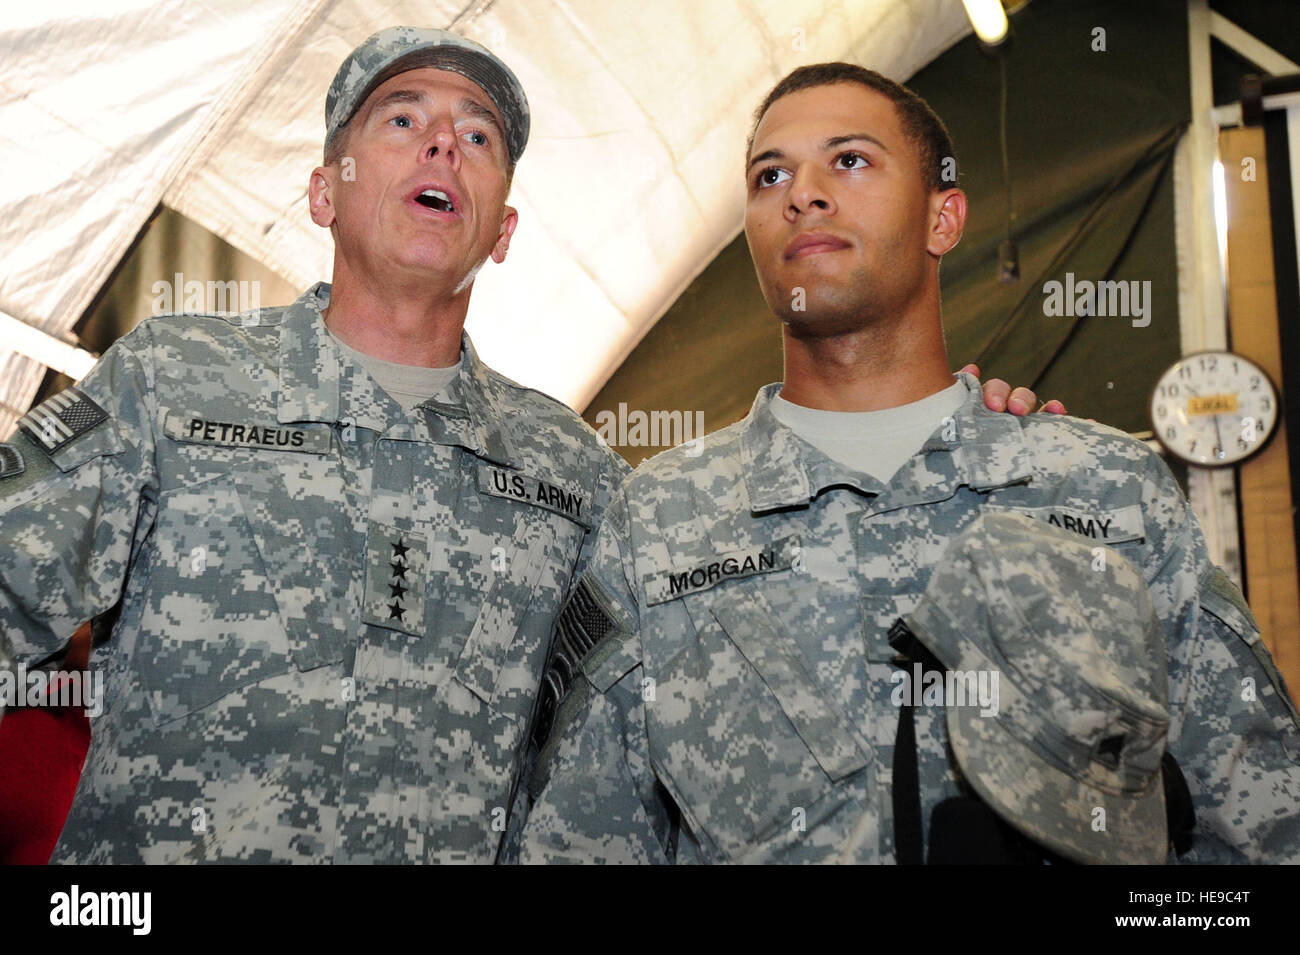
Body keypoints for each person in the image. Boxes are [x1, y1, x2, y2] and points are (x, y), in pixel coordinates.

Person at [0, 33, 1045, 864]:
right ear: (326, 192)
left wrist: (947, 447)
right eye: (401, 119)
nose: (442, 145)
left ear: (500, 230)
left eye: (479, 137)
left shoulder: (574, 473)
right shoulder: (172, 383)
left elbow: (726, 641)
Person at [519, 63, 1300, 864]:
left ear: (944, 219)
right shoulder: (659, 523)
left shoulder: (1106, 490)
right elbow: (579, 842)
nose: (803, 193)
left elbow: (1263, 823)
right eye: (770, 175)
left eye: (850, 160)